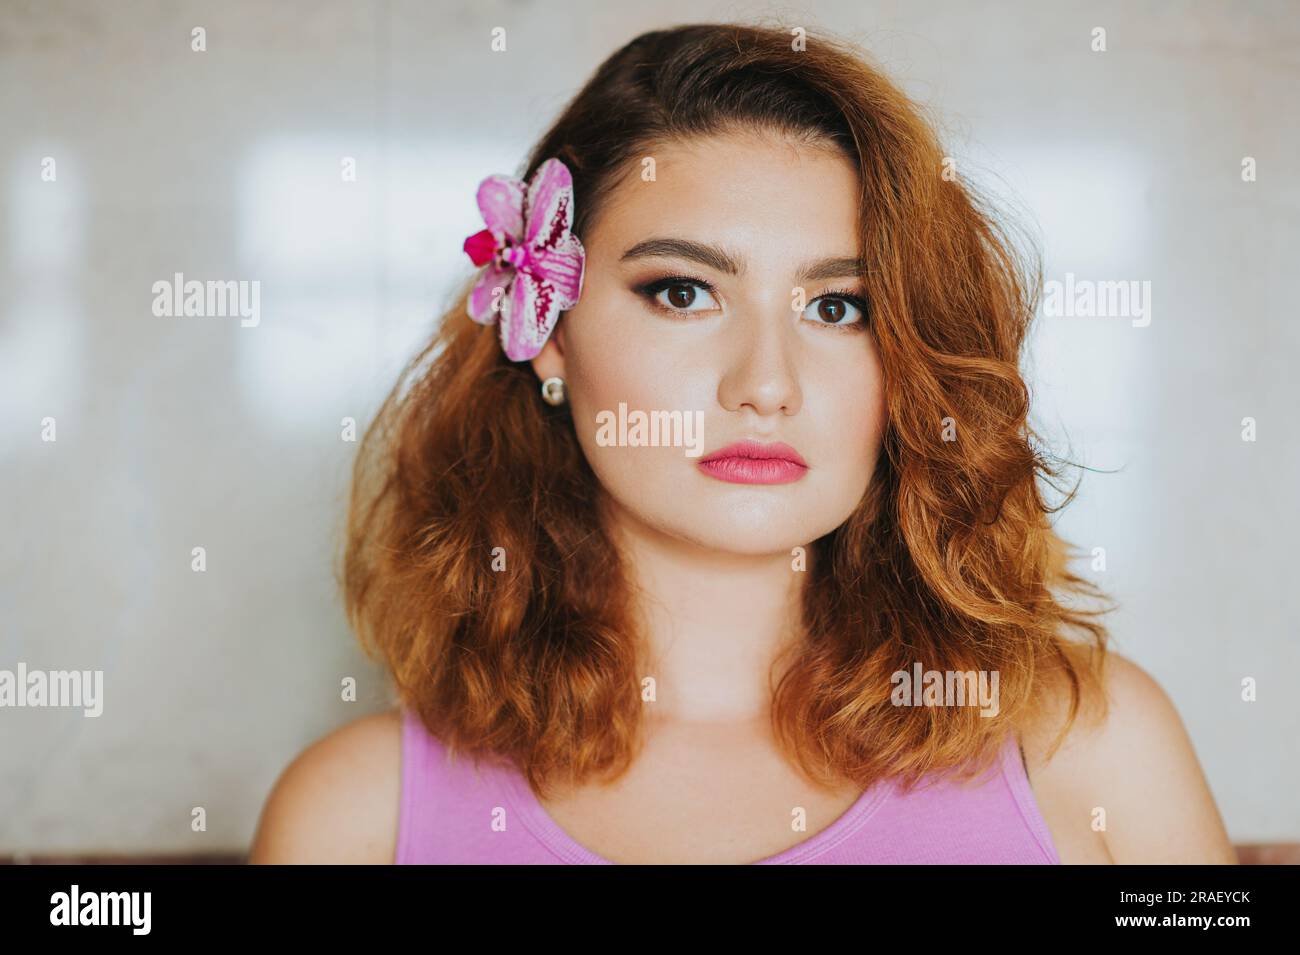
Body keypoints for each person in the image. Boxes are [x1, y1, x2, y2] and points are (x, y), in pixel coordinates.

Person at [249, 22, 1236, 864]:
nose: (765, 384)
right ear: (548, 328)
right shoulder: (354, 816)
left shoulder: (1090, 747)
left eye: (838, 307)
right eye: (683, 292)